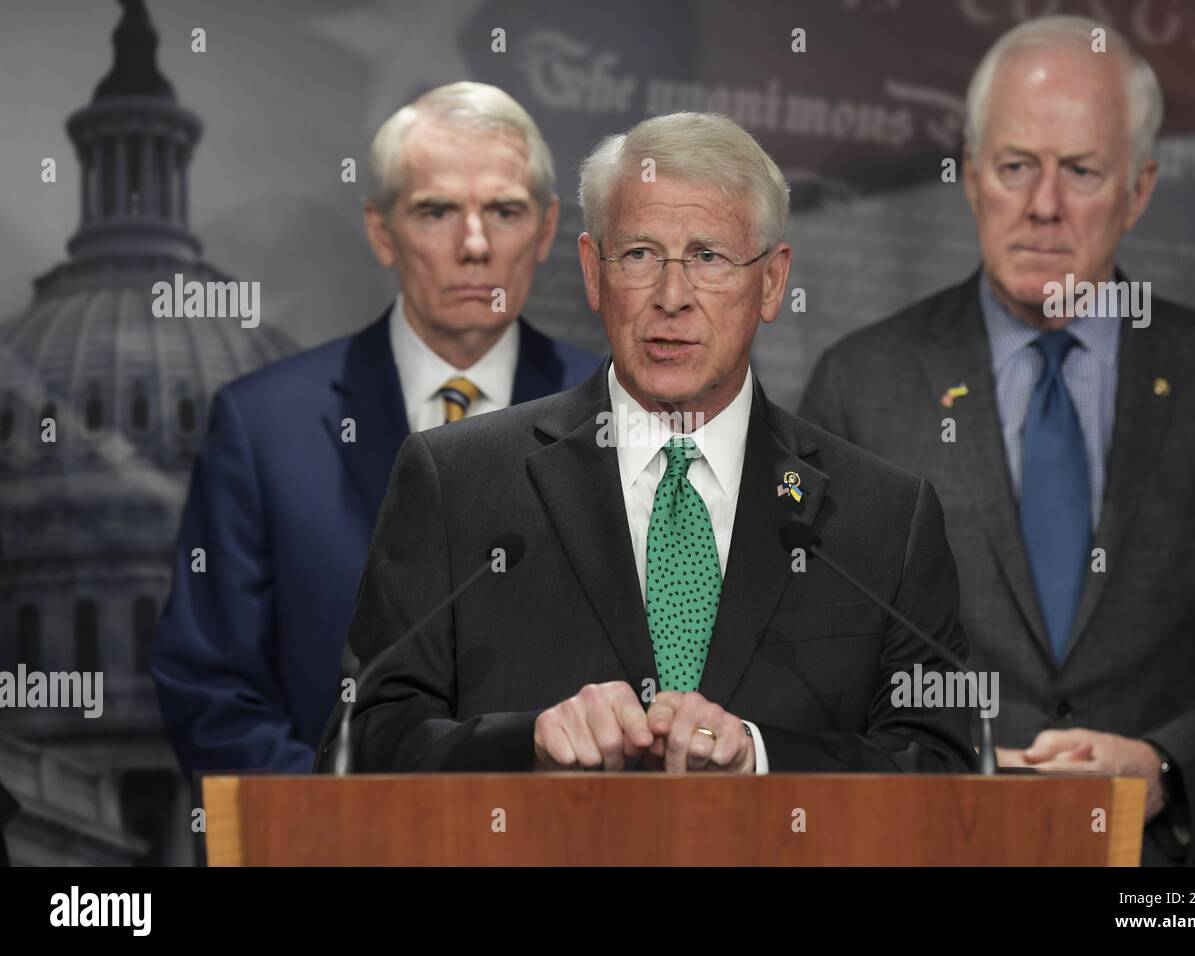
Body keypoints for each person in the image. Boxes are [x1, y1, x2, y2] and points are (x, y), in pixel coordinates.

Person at [315, 112, 978, 775]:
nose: (671, 296)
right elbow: (358, 748)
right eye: (638, 255)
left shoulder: (885, 520)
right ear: (593, 272)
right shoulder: (459, 484)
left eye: (708, 257)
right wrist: (526, 745)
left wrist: (762, 759)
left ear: (772, 282)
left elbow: (944, 771)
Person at [800, 16, 1195, 863]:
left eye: (1082, 171)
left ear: (1140, 189)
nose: (1044, 205)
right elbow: (817, 656)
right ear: (969, 175)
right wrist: (950, 771)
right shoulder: (858, 385)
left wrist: (1168, 768)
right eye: (1016, 165)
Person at [153, 82, 599, 774]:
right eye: (436, 210)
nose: (473, 244)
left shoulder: (619, 417)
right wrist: (340, 833)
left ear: (545, 232)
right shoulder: (264, 426)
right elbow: (212, 691)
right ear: (380, 231)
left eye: (504, 211)